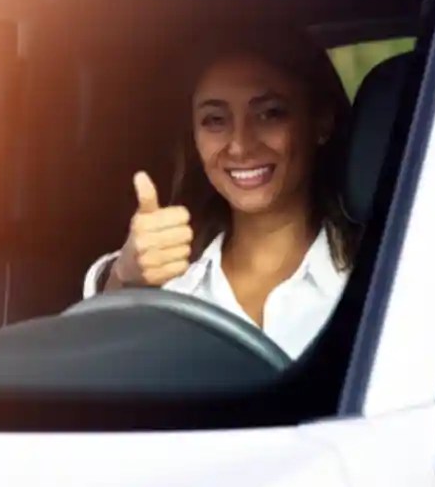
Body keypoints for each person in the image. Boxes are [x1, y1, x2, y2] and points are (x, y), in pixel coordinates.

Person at [81, 26, 360, 358]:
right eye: (215, 120)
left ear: (321, 123)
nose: (240, 146)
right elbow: (96, 369)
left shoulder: (384, 274)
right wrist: (124, 279)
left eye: (269, 113)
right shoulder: (164, 280)